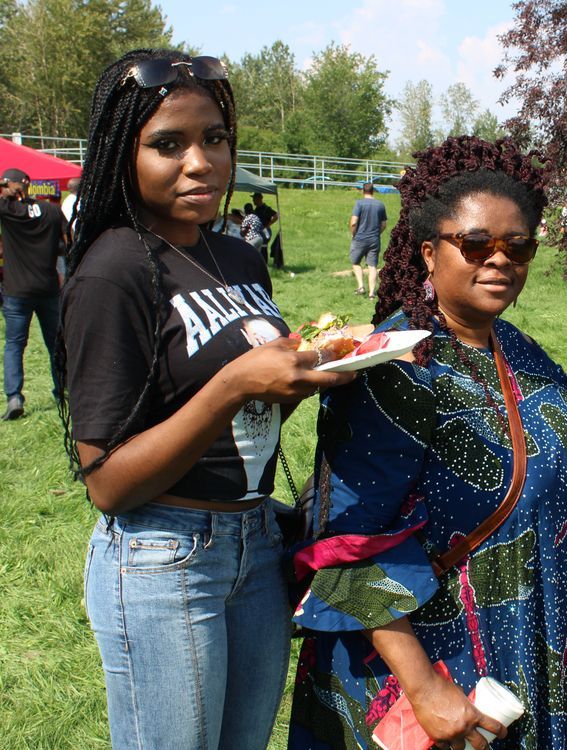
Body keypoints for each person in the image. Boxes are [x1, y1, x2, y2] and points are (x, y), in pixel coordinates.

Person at [288, 136, 567, 749]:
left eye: (517, 246)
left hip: (537, 639)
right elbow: (346, 543)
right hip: (441, 662)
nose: (498, 259)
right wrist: (425, 688)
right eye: (476, 244)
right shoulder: (398, 366)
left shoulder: (519, 349)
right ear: (428, 253)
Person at [57, 49, 350, 749]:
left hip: (253, 545)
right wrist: (234, 385)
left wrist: (311, 374)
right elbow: (107, 482)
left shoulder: (238, 259)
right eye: (169, 144)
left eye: (214, 138)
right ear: (120, 154)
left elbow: (250, 408)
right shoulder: (115, 269)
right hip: (164, 558)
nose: (201, 162)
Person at [0, 167, 67, 420]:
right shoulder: (50, 209)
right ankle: (63, 389)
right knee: (55, 343)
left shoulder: (7, 210)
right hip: (48, 286)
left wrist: (8, 194)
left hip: (17, 290)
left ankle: (14, 397)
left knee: (15, 345)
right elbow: (65, 242)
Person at [349, 181, 387, 298]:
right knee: (372, 266)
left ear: (363, 191)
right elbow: (384, 224)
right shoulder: (380, 205)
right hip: (374, 239)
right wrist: (377, 233)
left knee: (355, 262)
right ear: (372, 191)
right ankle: (371, 293)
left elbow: (354, 222)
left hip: (360, 238)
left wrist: (353, 234)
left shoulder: (359, 204)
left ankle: (361, 287)